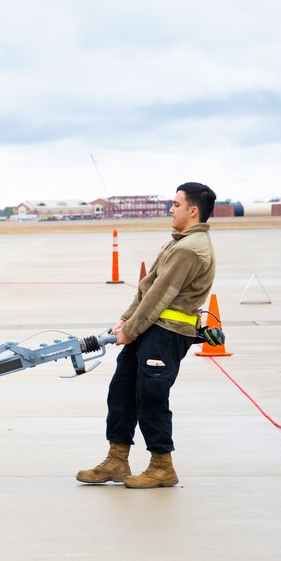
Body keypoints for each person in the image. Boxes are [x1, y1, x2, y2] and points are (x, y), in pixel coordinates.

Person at [77, 182, 217, 489]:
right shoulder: (176, 244)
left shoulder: (190, 250)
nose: (171, 209)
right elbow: (147, 287)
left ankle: (162, 466)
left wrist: (131, 329)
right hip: (148, 329)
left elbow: (159, 296)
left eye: (176, 204)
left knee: (151, 396)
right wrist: (126, 321)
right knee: (122, 389)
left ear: (193, 211)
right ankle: (116, 460)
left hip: (167, 335)